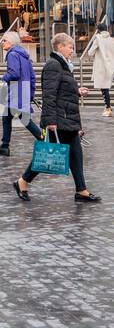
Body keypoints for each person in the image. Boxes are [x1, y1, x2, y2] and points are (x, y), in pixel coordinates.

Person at [14, 32, 100, 204]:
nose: (72, 50)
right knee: (46, 156)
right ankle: (22, 181)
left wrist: (76, 91)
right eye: (70, 47)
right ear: (60, 46)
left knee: (76, 153)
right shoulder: (54, 65)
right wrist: (50, 121)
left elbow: (62, 88)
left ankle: (81, 190)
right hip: (58, 119)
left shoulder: (63, 65)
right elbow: (49, 94)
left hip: (67, 117)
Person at [0, 31, 40, 156]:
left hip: (16, 92)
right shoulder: (24, 55)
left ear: (11, 42)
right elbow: (33, 77)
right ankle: (4, 146)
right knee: (6, 118)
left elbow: (14, 73)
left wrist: (4, 78)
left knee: (25, 120)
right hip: (23, 90)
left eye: (4, 41)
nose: (2, 43)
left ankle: (44, 140)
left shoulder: (12, 54)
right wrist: (31, 93)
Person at [84, 19, 114, 117]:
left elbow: (90, 52)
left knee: (104, 89)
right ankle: (108, 107)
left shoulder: (98, 38)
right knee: (106, 88)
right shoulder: (111, 39)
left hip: (101, 66)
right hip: (110, 65)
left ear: (98, 30)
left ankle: (108, 108)